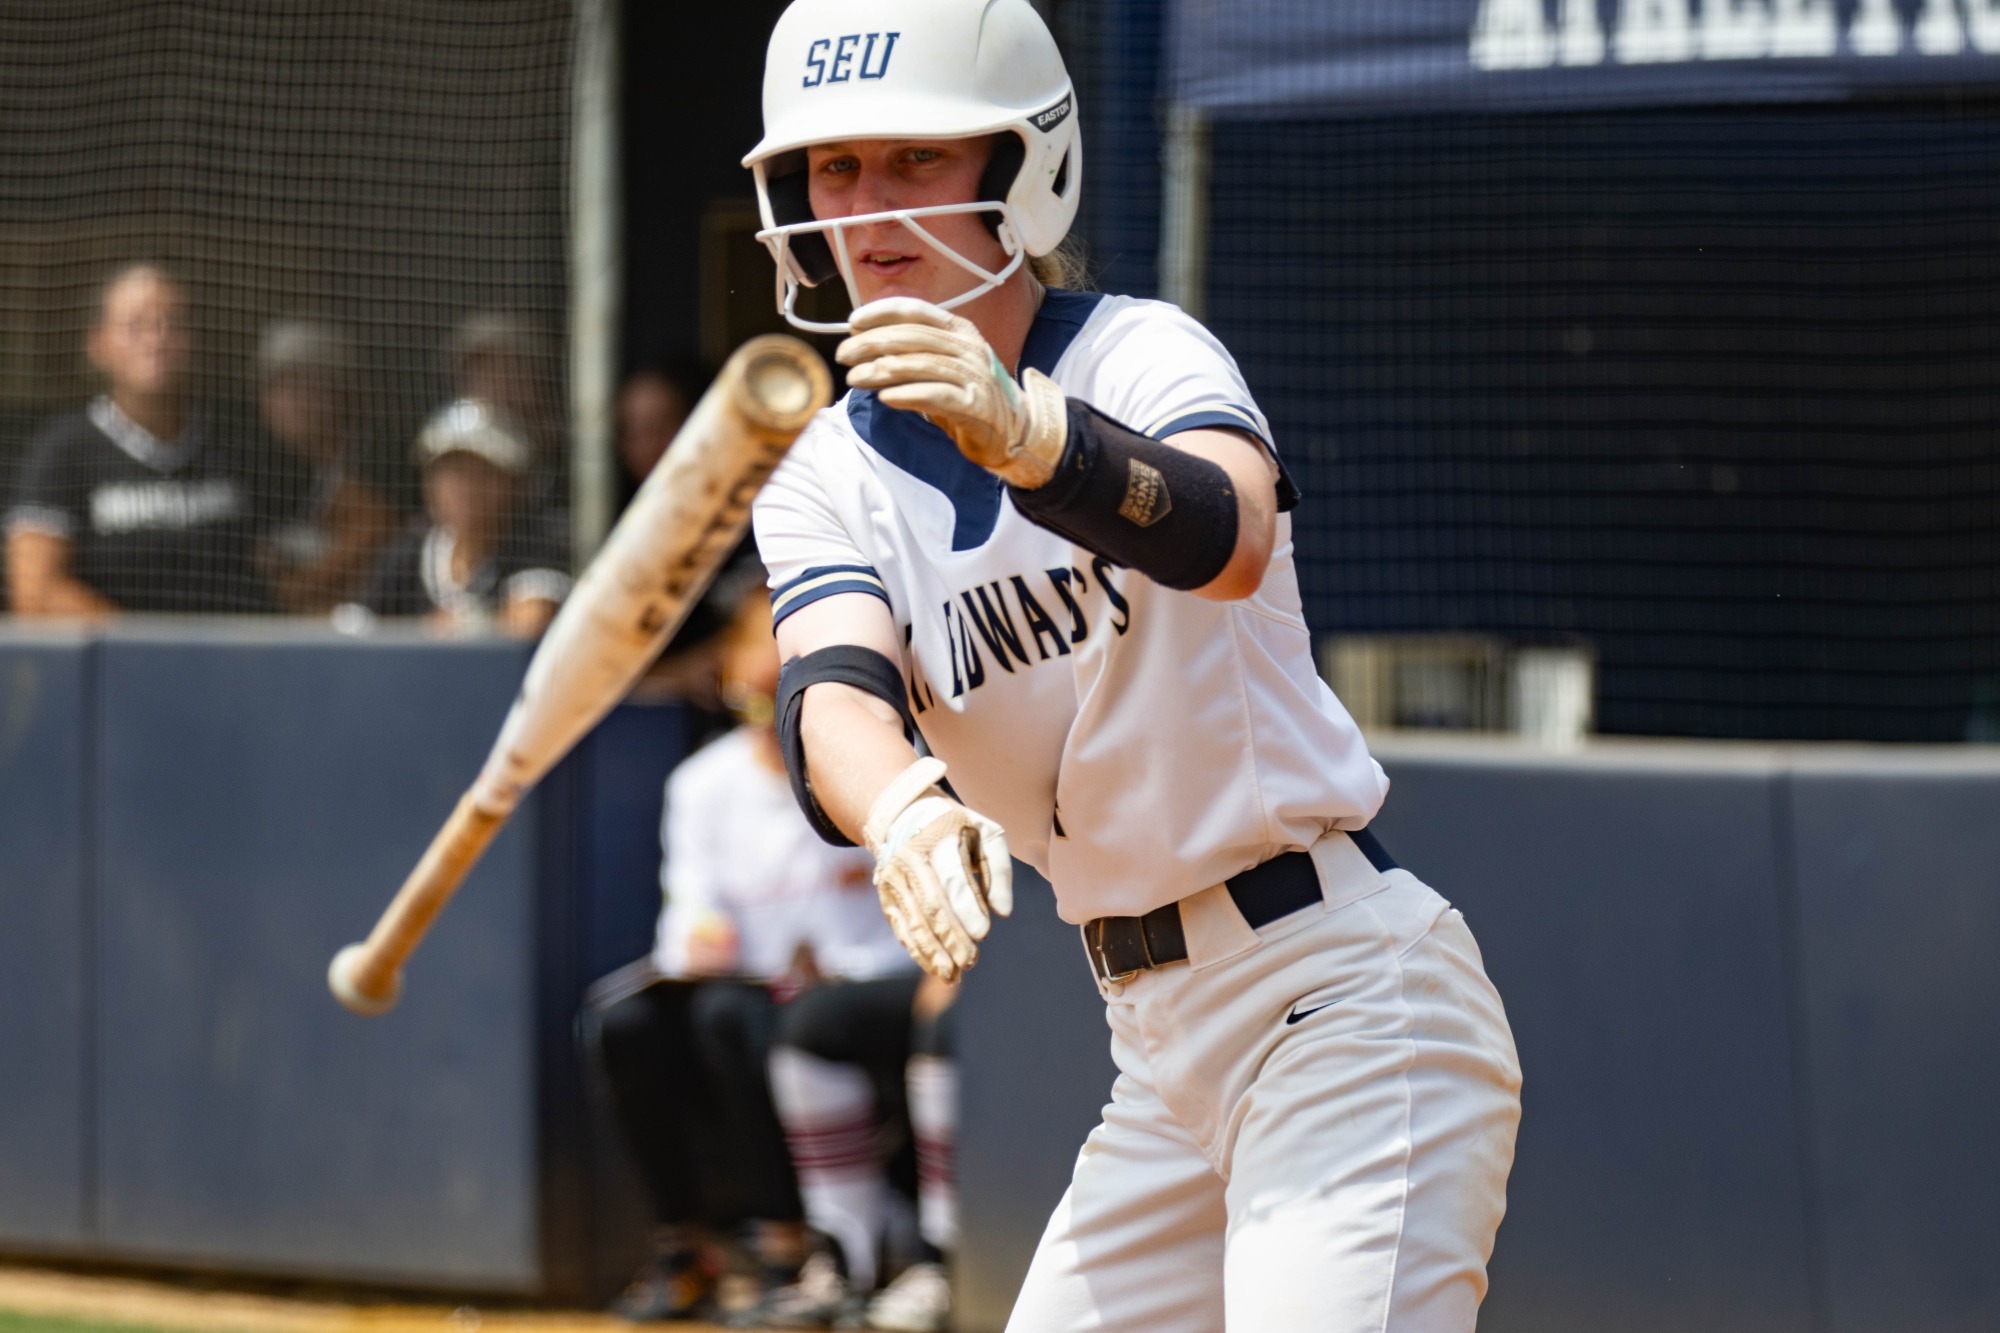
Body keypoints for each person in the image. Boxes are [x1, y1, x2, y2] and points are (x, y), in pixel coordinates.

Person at [742, 3, 1524, 1331]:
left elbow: (1224, 532)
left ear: (1017, 171)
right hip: (1157, 1055)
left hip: (1334, 997)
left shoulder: (1136, 354)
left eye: (914, 161)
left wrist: (1039, 438)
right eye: (834, 168)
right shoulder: (824, 476)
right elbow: (834, 690)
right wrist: (903, 807)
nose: (865, 210)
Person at [585, 578, 916, 1323]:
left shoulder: (872, 764)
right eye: (750, 693)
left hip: (859, 993)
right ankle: (686, 1247)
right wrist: (703, 938)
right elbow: (690, 918)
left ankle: (788, 1246)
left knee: (734, 1016)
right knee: (626, 1025)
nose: (764, 712)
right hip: (742, 993)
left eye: (780, 693)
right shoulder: (703, 783)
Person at [6, 263, 277, 615]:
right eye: (135, 325)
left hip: (237, 662)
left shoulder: (239, 440)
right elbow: (35, 592)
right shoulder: (65, 449)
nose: (155, 338)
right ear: (97, 344)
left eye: (172, 323)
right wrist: (142, 650)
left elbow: (358, 517)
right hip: (119, 664)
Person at [756, 973, 961, 1332]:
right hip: (945, 963)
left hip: (1050, 965)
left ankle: (945, 1264)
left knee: (944, 1026)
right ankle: (848, 1264)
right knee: (812, 1025)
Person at [350, 399, 569, 637]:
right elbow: (359, 632)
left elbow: (530, 621)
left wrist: (458, 627)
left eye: (482, 473)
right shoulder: (407, 556)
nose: (465, 489)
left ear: (515, 484)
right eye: (450, 472)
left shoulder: (533, 550)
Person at [254, 318, 396, 613]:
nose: (289, 401)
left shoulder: (382, 461)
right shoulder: (267, 470)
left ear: (340, 388)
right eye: (277, 386)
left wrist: (293, 588)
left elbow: (372, 535)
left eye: (304, 384)